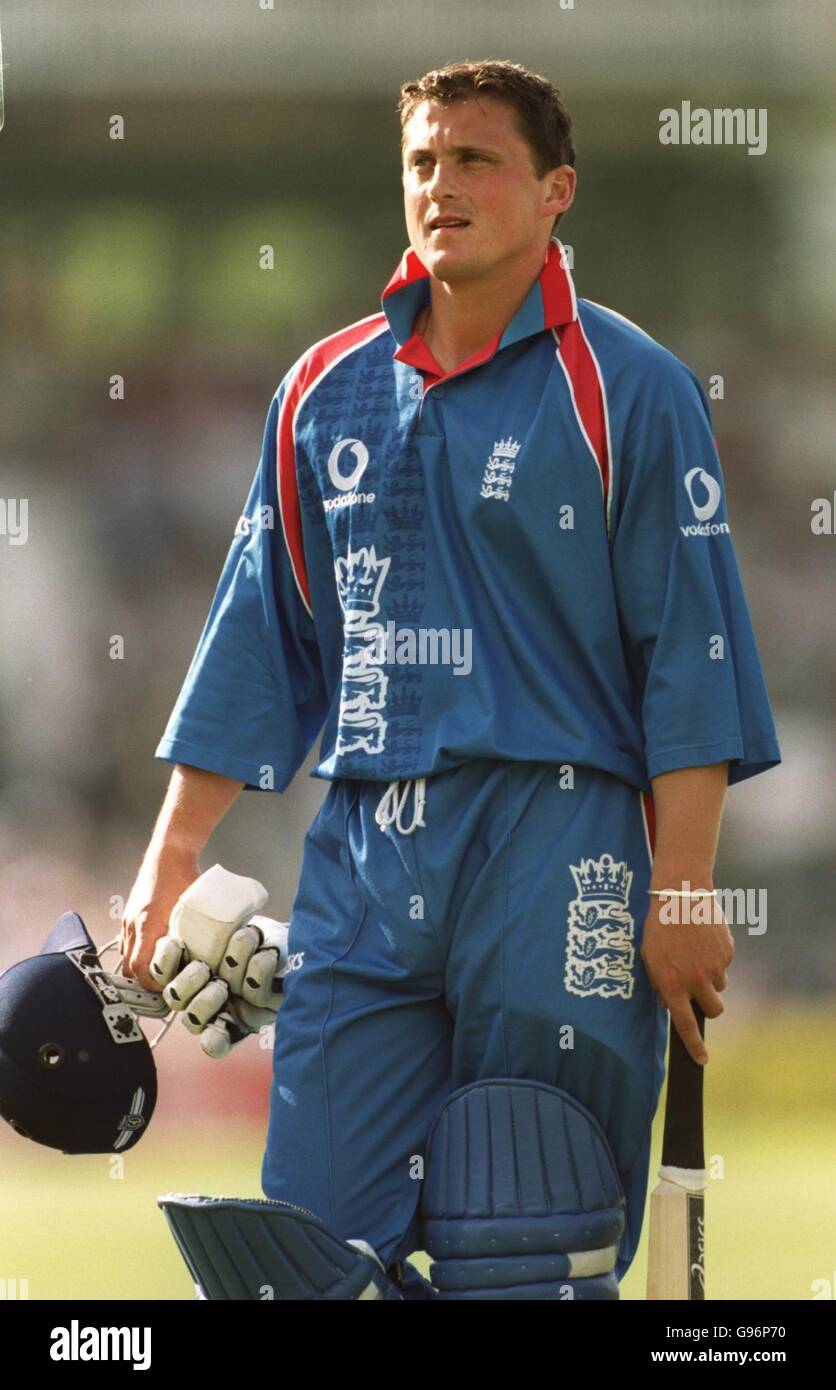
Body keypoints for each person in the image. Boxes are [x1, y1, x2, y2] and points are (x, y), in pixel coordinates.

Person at [120, 58, 781, 1298]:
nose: (443, 185)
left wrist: (684, 884)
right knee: (303, 1256)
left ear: (553, 193)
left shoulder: (626, 387)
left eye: (476, 160)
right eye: (423, 162)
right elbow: (261, 635)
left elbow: (691, 652)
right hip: (366, 853)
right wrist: (169, 854)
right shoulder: (321, 392)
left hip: (561, 841)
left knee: (525, 1241)